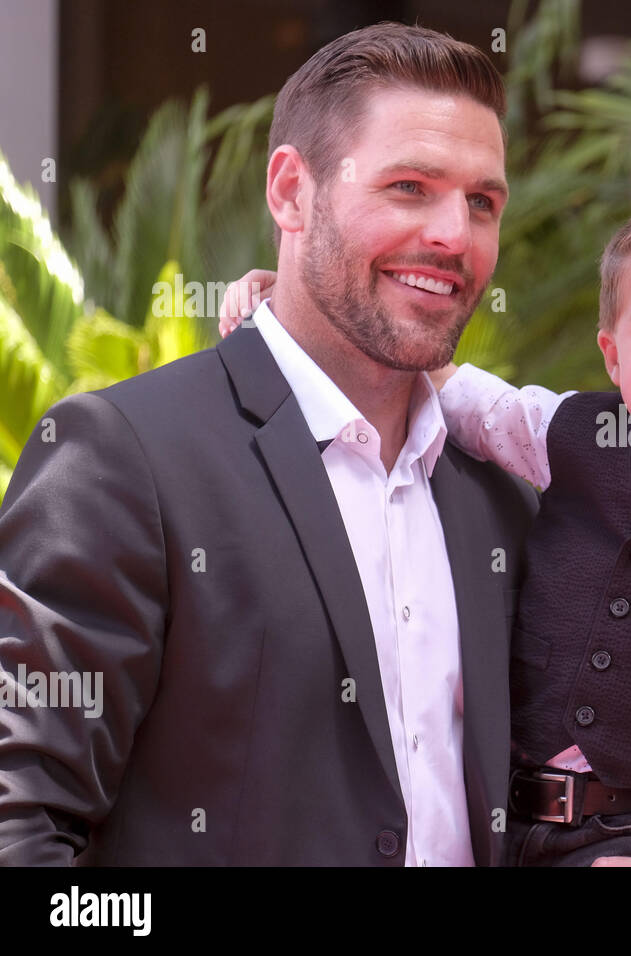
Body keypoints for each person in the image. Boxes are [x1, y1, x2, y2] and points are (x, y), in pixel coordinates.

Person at [0, 23, 536, 866]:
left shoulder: (504, 489)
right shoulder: (123, 457)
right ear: (291, 191)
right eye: (409, 187)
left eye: (482, 202)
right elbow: (20, 821)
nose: (454, 236)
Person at [219, 195, 631, 865]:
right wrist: (295, 308)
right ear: (612, 355)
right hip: (504, 819)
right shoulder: (564, 433)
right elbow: (442, 380)